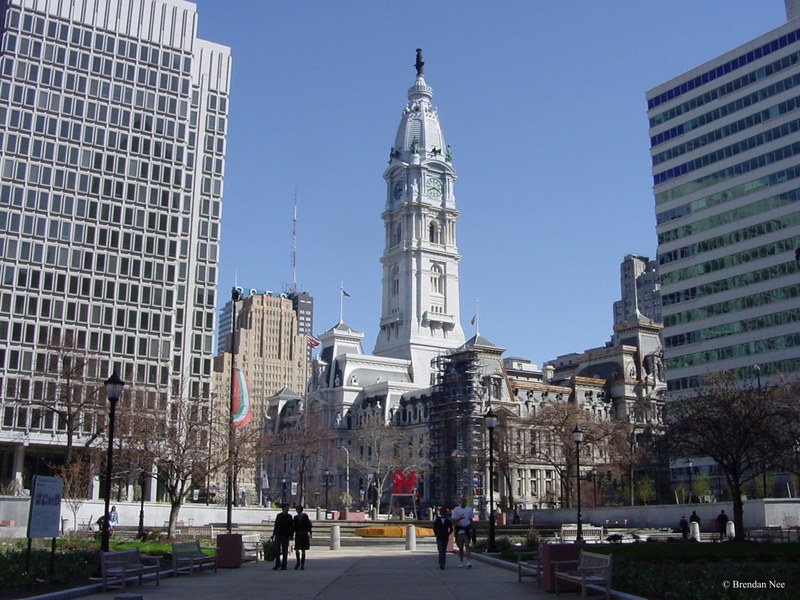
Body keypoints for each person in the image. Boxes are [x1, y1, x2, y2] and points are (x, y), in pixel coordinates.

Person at [451, 496, 474, 568]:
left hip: (466, 529)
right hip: (459, 530)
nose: (463, 501)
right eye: (462, 500)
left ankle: (468, 561)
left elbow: (471, 520)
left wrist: (472, 529)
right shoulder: (456, 510)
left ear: (466, 501)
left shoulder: (469, 510)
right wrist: (459, 519)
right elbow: (452, 521)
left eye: (464, 500)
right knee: (460, 547)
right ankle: (461, 561)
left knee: (467, 545)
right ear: (460, 501)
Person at [272, 503, 294, 570]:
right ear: (283, 509)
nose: (287, 510)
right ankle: (278, 563)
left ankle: (284, 565)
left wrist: (291, 535)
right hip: (278, 534)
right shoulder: (279, 516)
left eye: (288, 508)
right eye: (286, 508)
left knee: (285, 551)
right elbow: (276, 525)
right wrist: (273, 534)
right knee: (276, 550)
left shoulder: (289, 517)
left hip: (285, 535)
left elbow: (291, 527)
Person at [293, 505, 312, 570]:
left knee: (303, 549)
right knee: (297, 549)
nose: (297, 511)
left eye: (298, 510)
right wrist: (292, 534)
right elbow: (294, 527)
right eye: (297, 510)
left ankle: (302, 564)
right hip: (298, 534)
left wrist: (310, 532)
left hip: (303, 534)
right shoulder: (295, 517)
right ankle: (298, 562)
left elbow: (308, 525)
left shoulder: (305, 516)